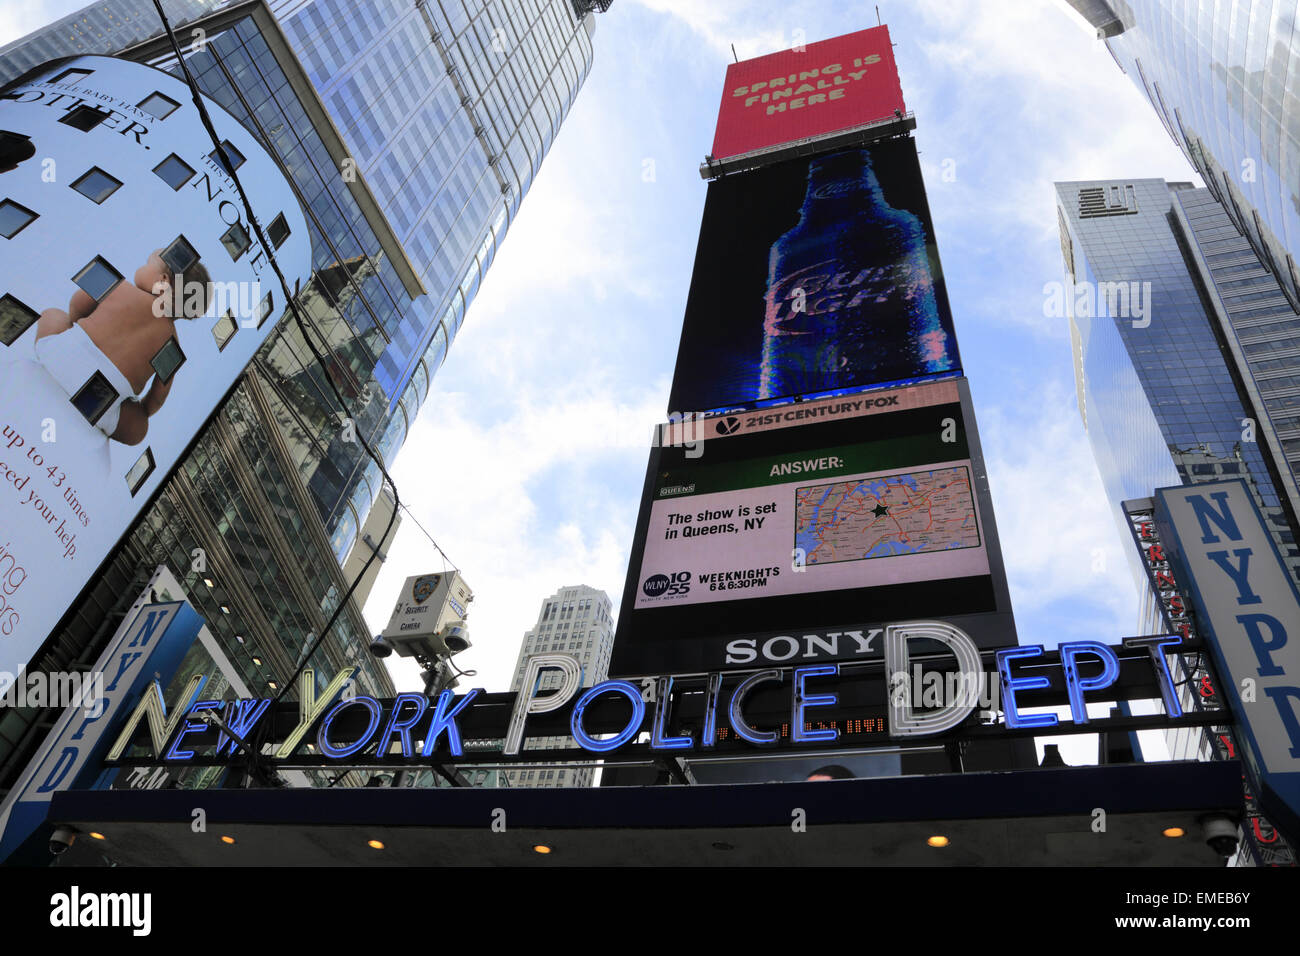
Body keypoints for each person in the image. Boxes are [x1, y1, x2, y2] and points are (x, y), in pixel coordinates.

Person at [33, 248, 210, 445]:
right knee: (139, 429)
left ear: (162, 281)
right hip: (99, 402)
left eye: (147, 263)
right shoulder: (172, 346)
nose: (141, 267)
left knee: (53, 315)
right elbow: (158, 397)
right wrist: (141, 410)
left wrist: (73, 327)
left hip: (62, 358)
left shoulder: (119, 286)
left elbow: (78, 302)